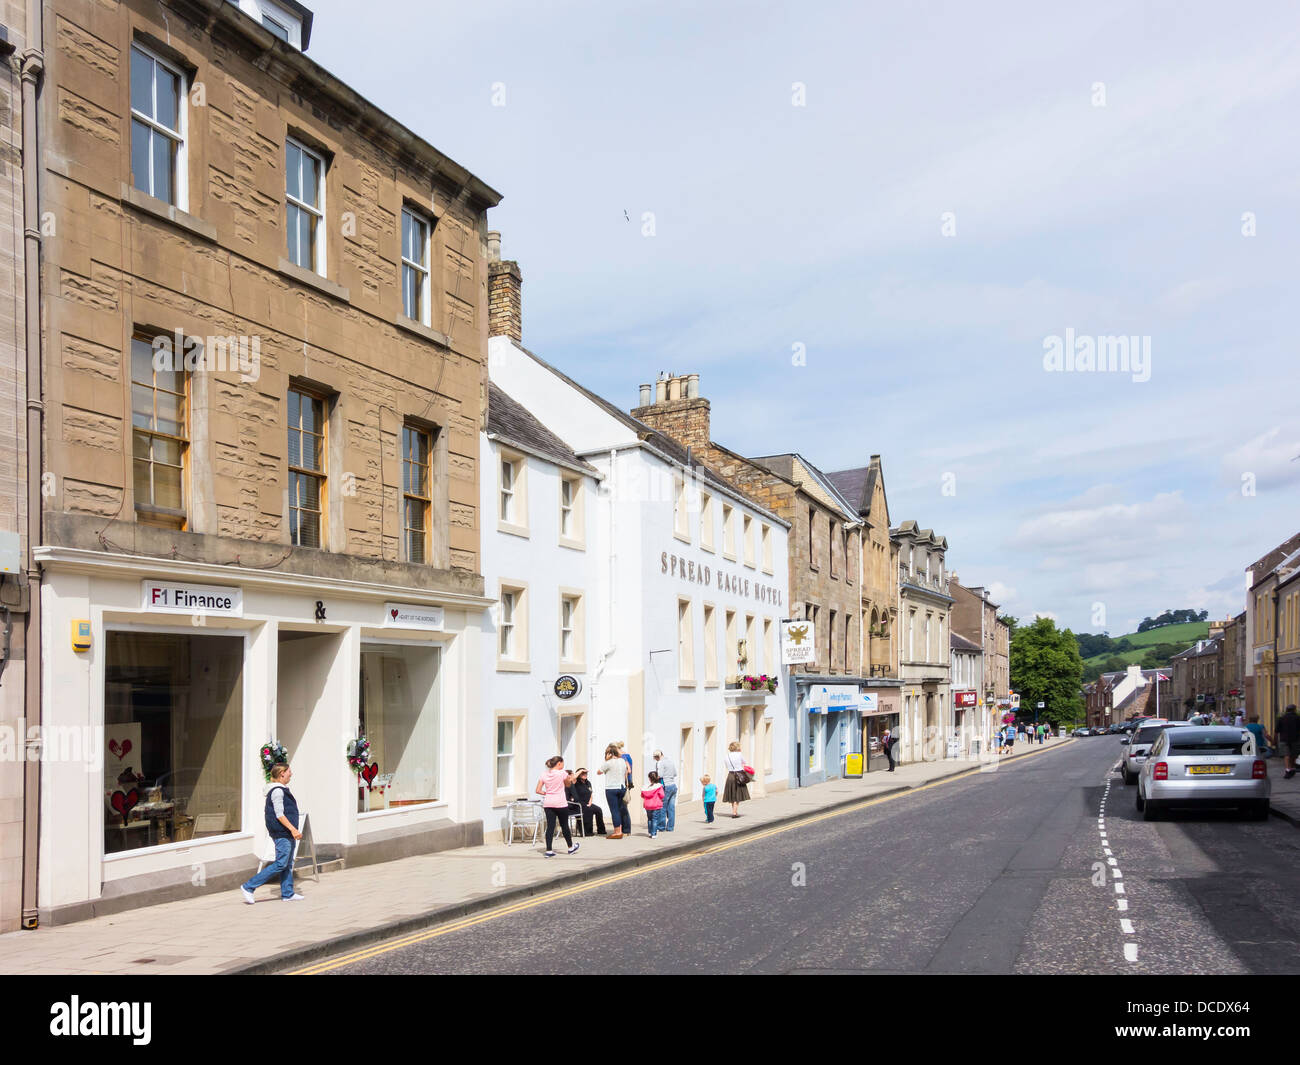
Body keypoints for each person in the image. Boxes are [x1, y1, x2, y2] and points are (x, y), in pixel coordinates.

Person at [240, 763, 304, 903]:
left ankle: (288, 893)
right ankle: (248, 886)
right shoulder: (277, 791)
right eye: (289, 771)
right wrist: (293, 829)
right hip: (282, 832)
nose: (291, 774)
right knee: (281, 863)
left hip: (286, 832)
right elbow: (279, 814)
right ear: (282, 774)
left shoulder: (282, 789)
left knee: (287, 863)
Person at [535, 755, 580, 857]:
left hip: (548, 803)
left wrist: (546, 793)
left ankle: (549, 851)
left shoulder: (544, 774)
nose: (563, 765)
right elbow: (568, 785)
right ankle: (570, 847)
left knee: (550, 826)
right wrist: (570, 779)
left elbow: (537, 790)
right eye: (563, 763)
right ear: (559, 763)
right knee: (564, 825)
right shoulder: (562, 773)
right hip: (560, 802)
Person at [596, 744, 630, 838]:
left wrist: (606, 760)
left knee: (614, 811)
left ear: (609, 753)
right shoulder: (622, 761)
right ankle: (622, 829)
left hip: (611, 788)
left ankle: (617, 832)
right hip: (621, 787)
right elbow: (627, 771)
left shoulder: (609, 762)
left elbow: (598, 772)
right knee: (619, 809)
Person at [568, 768, 605, 836]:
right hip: (579, 804)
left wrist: (590, 802)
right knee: (588, 810)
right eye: (583, 773)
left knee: (598, 810)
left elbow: (591, 794)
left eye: (586, 773)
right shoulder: (576, 782)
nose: (585, 775)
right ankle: (587, 832)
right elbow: (572, 779)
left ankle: (601, 830)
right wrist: (580, 771)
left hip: (587, 803)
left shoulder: (588, 782)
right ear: (579, 774)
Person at [653, 749, 679, 831]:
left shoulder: (660, 762)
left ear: (658, 756)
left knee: (662, 807)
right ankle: (670, 827)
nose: (655, 760)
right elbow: (675, 773)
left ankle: (661, 827)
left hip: (666, 786)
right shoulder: (670, 761)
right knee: (671, 808)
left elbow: (660, 775)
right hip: (673, 786)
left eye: (655, 758)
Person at [723, 740, 749, 818]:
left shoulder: (726, 756)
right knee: (737, 795)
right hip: (739, 775)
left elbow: (727, 766)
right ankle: (734, 813)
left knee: (732, 794)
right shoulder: (739, 754)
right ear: (737, 747)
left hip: (730, 775)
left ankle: (734, 811)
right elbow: (744, 762)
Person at [1277, 705, 1300, 779]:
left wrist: (1274, 740)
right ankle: (1292, 768)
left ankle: (1288, 769)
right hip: (1295, 739)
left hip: (1284, 739)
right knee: (1294, 755)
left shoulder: (1281, 718)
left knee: (1286, 755)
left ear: (1286, 710)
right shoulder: (1297, 718)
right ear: (1294, 710)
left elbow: (1277, 730)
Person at [641, 772, 666, 838]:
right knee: (655, 819)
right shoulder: (659, 786)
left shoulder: (646, 787)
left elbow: (642, 795)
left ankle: (649, 832)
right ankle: (654, 834)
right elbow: (662, 795)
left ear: (649, 778)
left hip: (647, 805)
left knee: (649, 819)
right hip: (656, 805)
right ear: (657, 777)